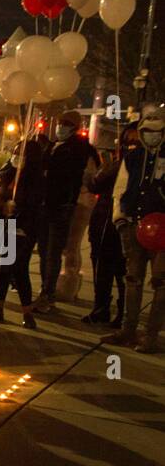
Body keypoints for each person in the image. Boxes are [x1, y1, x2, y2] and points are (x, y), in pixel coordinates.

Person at [104, 105, 165, 352]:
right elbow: (120, 189)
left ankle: (151, 335)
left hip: (161, 231)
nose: (153, 135)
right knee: (133, 280)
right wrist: (120, 218)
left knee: (161, 283)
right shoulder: (133, 157)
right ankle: (128, 329)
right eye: (148, 130)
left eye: (157, 131)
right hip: (133, 226)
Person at [35, 110, 97, 312]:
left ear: (75, 127)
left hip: (62, 206)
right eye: (60, 122)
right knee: (44, 251)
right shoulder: (53, 146)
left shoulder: (79, 149)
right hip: (45, 205)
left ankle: (49, 293)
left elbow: (77, 175)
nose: (61, 126)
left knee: (56, 252)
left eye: (67, 124)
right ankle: (45, 290)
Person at [84, 127, 136, 327]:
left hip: (113, 223)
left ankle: (115, 311)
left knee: (118, 270)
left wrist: (96, 172)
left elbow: (95, 184)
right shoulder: (119, 164)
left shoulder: (122, 165)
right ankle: (105, 309)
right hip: (105, 220)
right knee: (107, 268)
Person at [0, 141, 42, 329]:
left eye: (21, 153)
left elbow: (34, 206)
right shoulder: (7, 172)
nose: (16, 156)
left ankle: (27, 312)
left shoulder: (35, 179)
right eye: (15, 152)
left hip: (22, 230)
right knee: (3, 268)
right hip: (4, 226)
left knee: (19, 269)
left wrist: (17, 211)